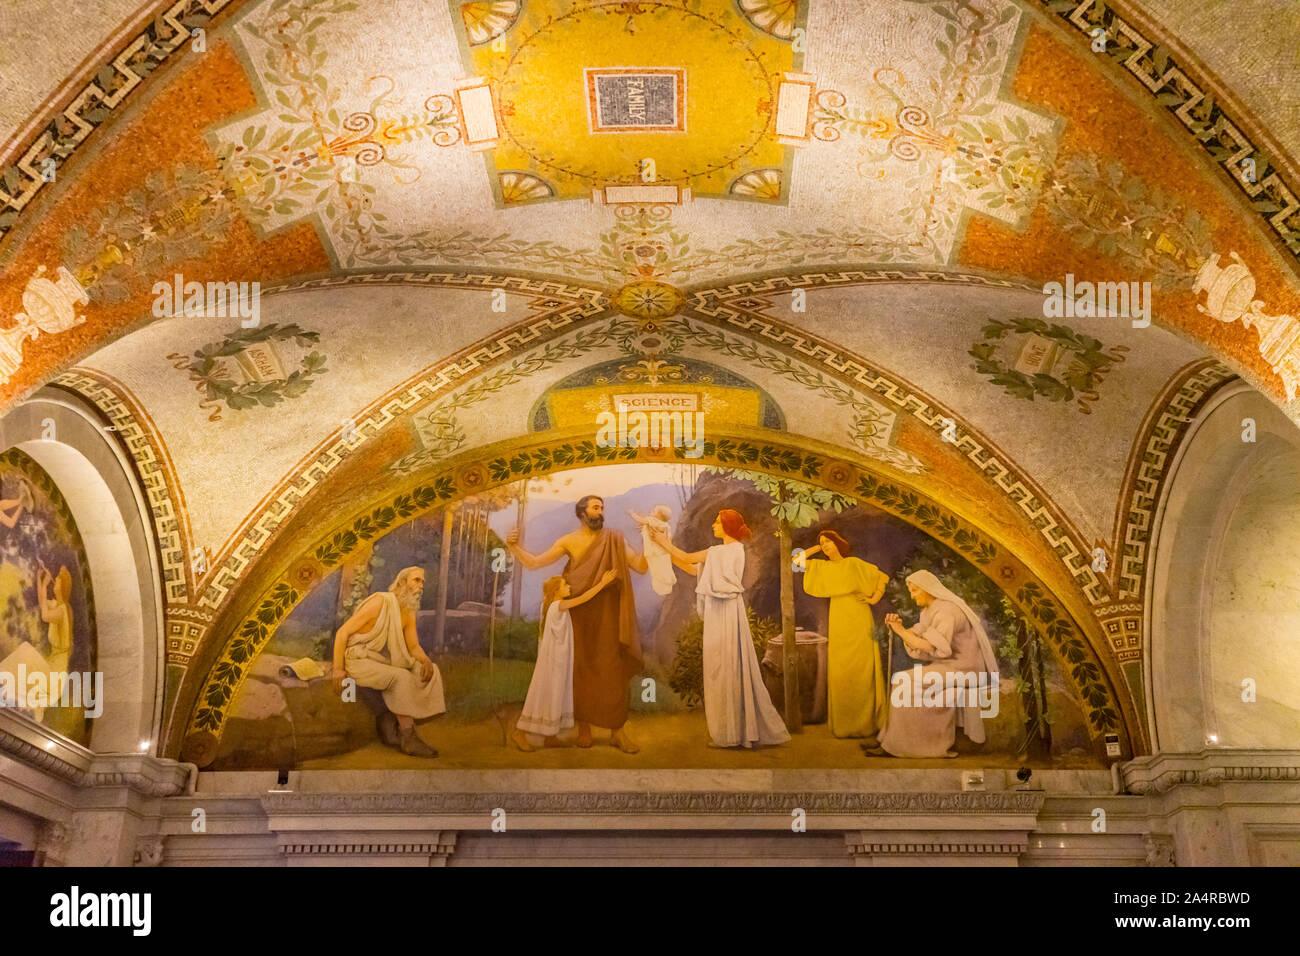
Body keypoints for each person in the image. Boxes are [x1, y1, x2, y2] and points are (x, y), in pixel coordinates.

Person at [507, 495, 648, 753]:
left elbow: (640, 565)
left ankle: (617, 732)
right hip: (578, 616)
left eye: (602, 507)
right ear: (582, 513)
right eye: (596, 507)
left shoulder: (615, 539)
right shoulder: (568, 541)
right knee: (580, 672)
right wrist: (513, 547)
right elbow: (536, 562)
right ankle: (584, 729)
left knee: (613, 672)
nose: (600, 511)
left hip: (608, 615)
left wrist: (653, 539)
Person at [651, 509, 790, 749]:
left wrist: (663, 542)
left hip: (723, 610)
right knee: (727, 664)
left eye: (717, 522)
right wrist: (664, 550)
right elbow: (694, 569)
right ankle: (735, 731)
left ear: (728, 525)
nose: (714, 526)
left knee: (722, 665)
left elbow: (688, 557)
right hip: (727, 610)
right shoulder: (734, 551)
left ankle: (729, 733)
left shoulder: (719, 552)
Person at [874, 570, 1000, 758]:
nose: (913, 596)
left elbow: (932, 646)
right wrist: (899, 627)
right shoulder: (929, 611)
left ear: (927, 589)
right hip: (948, 666)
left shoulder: (946, 610)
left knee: (903, 681)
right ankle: (894, 741)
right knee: (902, 680)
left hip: (964, 668)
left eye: (915, 591)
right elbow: (919, 635)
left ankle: (919, 745)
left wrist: (901, 631)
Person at [332, 566, 445, 757]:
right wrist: (337, 669)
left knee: (428, 670)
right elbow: (343, 633)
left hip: (376, 659)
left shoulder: (408, 610)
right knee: (400, 676)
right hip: (357, 659)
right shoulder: (380, 602)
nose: (421, 586)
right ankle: (408, 737)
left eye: (422, 582)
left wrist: (425, 661)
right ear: (402, 583)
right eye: (416, 580)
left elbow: (413, 647)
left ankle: (397, 723)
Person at [794, 530, 889, 741]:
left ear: (838, 543)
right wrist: (817, 547)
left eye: (828, 542)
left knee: (862, 669)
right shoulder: (822, 566)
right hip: (838, 617)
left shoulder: (853, 563)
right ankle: (844, 726)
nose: (826, 546)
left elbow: (883, 577)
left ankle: (865, 725)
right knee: (840, 670)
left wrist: (874, 599)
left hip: (859, 616)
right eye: (822, 543)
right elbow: (796, 560)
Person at [511, 569, 619, 752]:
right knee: (543, 697)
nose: (568, 586)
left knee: (553, 697)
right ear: (556, 591)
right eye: (564, 585)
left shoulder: (551, 606)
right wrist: (602, 582)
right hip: (553, 663)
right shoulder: (557, 605)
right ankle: (519, 733)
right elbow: (584, 598)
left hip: (557, 661)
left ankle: (549, 737)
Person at [37, 562, 73, 704]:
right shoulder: (57, 605)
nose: (55, 580)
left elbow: (45, 616)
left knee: (25, 653)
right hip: (53, 665)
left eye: (58, 579)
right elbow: (42, 603)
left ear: (62, 587)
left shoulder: (61, 610)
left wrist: (45, 585)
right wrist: (39, 579)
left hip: (56, 673)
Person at [630, 504, 676, 595]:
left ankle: (662, 585)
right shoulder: (666, 525)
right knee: (664, 567)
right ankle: (668, 579)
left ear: (659, 515)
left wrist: (632, 514)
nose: (651, 511)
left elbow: (640, 520)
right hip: (663, 552)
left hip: (652, 552)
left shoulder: (652, 520)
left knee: (655, 571)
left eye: (654, 511)